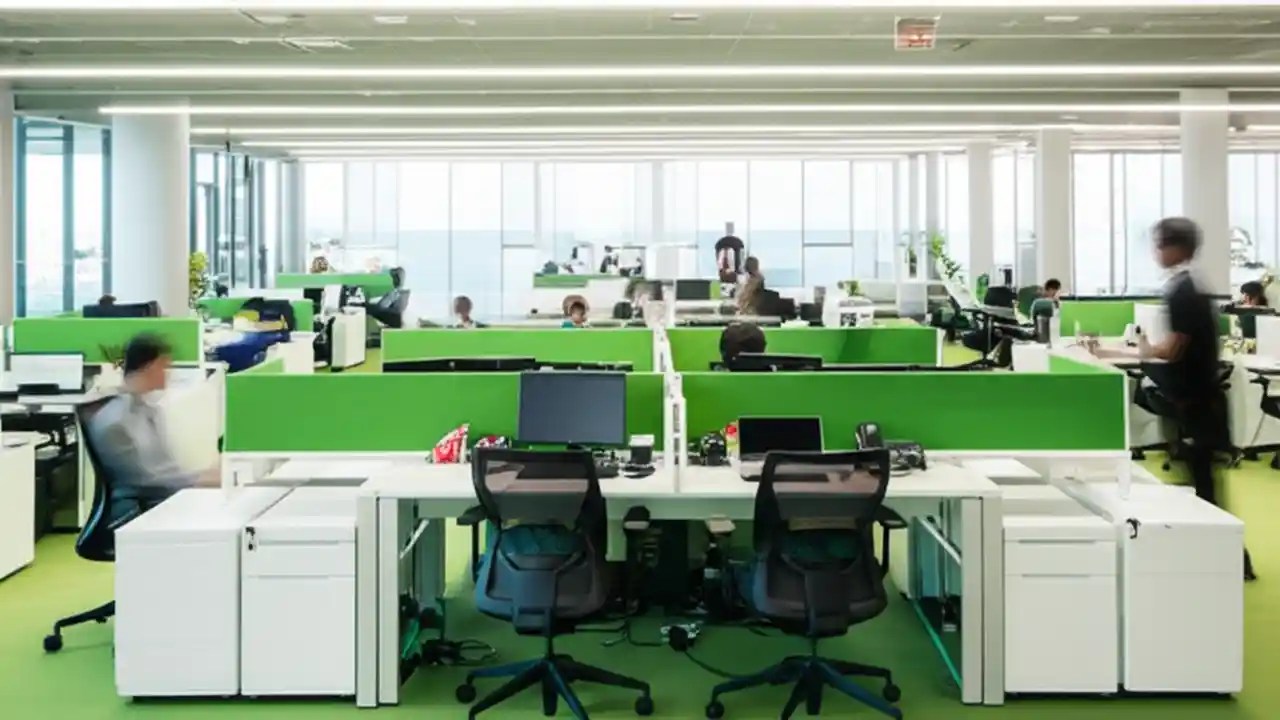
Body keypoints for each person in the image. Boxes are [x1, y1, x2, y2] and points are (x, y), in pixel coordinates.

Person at [1140, 217, 1255, 581]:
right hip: (1198, 401)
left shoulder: (1183, 293)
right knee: (1203, 484)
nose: (1157, 251)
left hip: (1199, 405)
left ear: (1178, 248)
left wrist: (1146, 350)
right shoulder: (1188, 287)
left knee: (1205, 488)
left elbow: (1175, 348)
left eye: (1161, 244)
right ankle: (1225, 560)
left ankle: (1236, 562)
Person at [88, 334, 219, 525]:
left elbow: (164, 468)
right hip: (136, 512)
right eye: (164, 366)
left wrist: (204, 476)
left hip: (159, 499)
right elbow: (144, 482)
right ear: (149, 367)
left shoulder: (148, 409)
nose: (168, 373)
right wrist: (198, 481)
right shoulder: (115, 421)